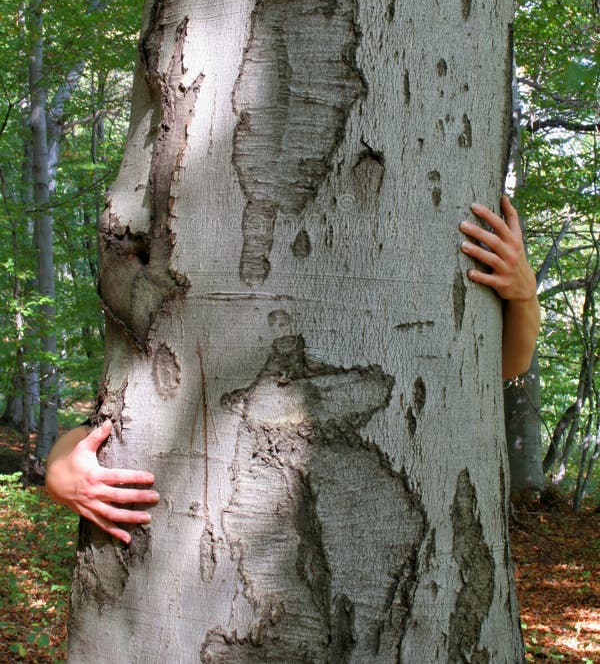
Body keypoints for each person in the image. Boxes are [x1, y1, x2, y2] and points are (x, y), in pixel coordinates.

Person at [45, 195, 540, 543]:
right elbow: (102, 428)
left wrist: (523, 295)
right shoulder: (173, 338)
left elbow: (502, 364)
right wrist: (62, 469)